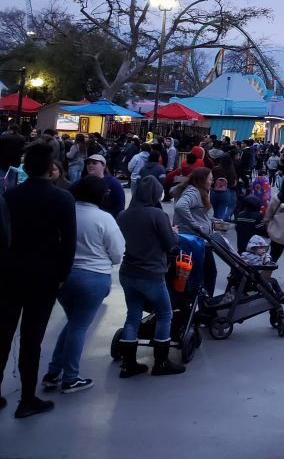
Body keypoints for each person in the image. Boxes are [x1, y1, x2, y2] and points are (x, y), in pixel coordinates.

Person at [0, 142, 77, 418]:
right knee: (32, 340)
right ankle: (27, 398)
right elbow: (68, 243)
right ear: (50, 169)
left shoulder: (10, 196)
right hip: (44, 277)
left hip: (9, 273)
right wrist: (62, 275)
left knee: (3, 334)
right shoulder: (62, 199)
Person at [42, 176, 125, 394]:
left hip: (63, 276)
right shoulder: (104, 218)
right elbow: (117, 253)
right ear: (100, 195)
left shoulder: (65, 213)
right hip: (94, 277)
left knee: (73, 324)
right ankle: (70, 378)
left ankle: (53, 372)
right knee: (78, 326)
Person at [116, 175, 184, 377]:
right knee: (165, 314)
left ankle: (129, 363)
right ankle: (161, 362)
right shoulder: (157, 215)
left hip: (128, 271)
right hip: (151, 272)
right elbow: (171, 244)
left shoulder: (123, 215)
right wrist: (174, 233)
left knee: (133, 316)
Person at [173, 167, 219, 295]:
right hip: (194, 240)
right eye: (210, 179)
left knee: (206, 272)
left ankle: (203, 297)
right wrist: (195, 225)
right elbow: (181, 206)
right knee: (208, 272)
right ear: (202, 180)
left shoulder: (196, 191)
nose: (212, 181)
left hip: (196, 239)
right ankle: (205, 300)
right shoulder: (194, 192)